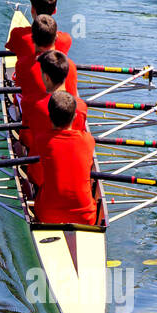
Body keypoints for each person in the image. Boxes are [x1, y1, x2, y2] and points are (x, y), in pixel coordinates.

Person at [33, 91, 97, 226]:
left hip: (47, 216)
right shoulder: (88, 141)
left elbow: (36, 177)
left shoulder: (41, 140)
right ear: (74, 117)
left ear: (49, 116)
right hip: (86, 217)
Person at [7, 14, 78, 102]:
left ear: (32, 40)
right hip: (67, 109)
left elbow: (19, 94)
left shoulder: (22, 65)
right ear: (56, 38)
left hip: (32, 110)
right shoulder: (71, 65)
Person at [8, 0, 73, 60]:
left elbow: (12, 49)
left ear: (32, 9)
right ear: (55, 10)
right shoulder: (66, 39)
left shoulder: (17, 34)